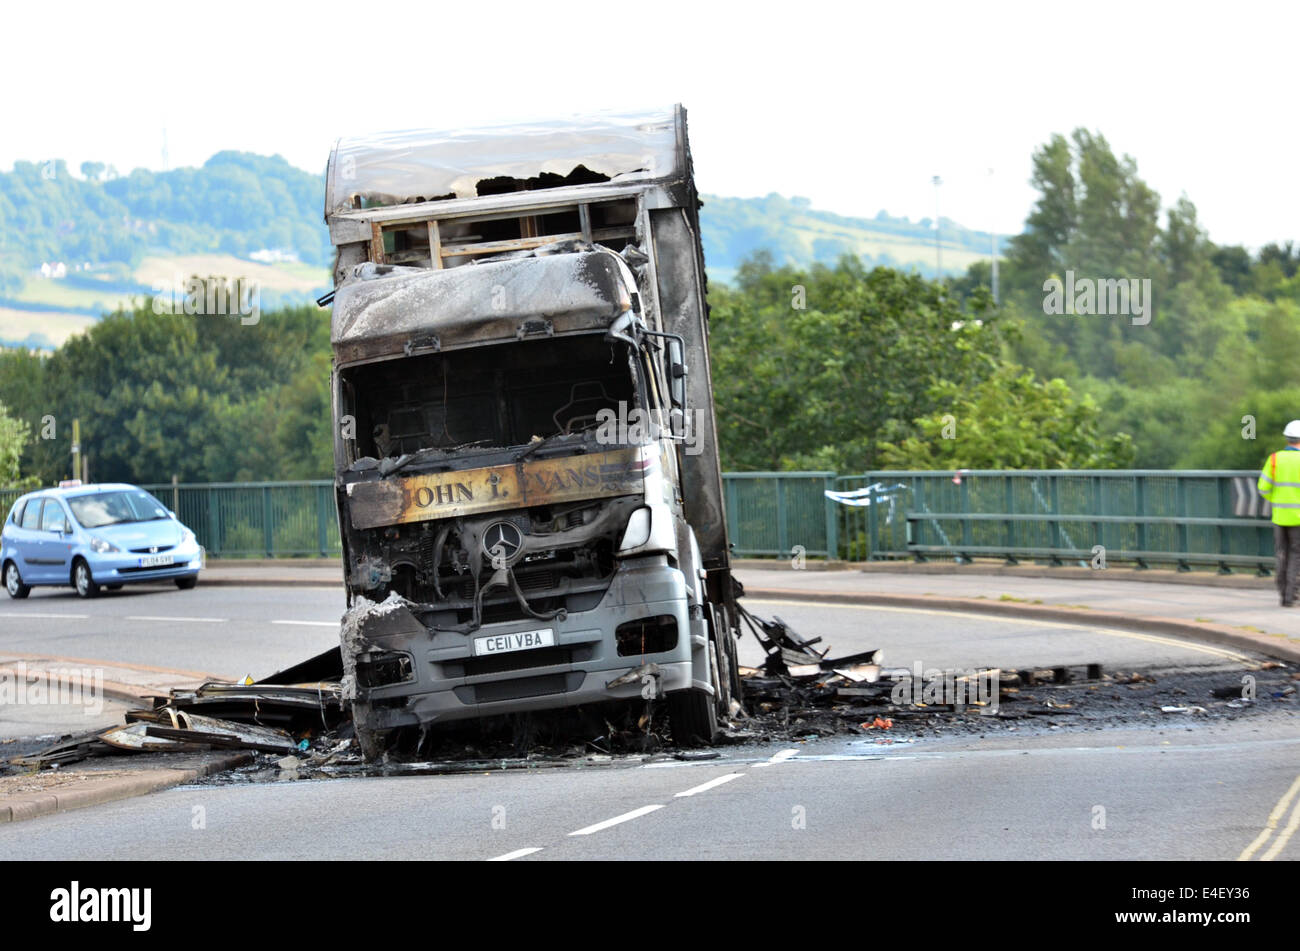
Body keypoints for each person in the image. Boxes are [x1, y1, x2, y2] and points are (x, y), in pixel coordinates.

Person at [1258, 420, 1300, 606]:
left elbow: (1263, 487)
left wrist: (1276, 500)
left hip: (1279, 516)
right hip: (1298, 518)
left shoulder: (1274, 459)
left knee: (1281, 553)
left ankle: (1282, 591)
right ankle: (1290, 595)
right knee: (1296, 555)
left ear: (1287, 438)